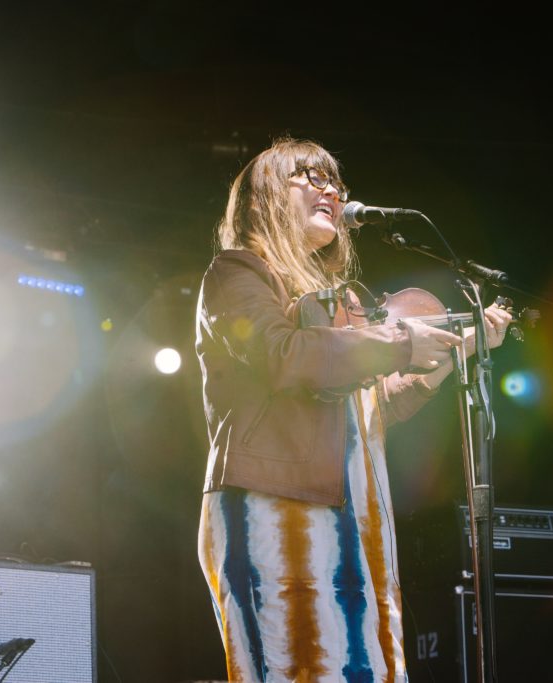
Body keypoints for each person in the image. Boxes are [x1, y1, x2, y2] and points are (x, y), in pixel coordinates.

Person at [195, 138, 512, 682]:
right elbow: (282, 354)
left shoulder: (340, 302)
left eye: (335, 183)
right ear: (261, 199)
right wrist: (396, 344)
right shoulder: (237, 273)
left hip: (356, 511)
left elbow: (372, 411)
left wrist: (452, 351)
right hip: (277, 505)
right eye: (310, 178)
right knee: (301, 664)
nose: (331, 192)